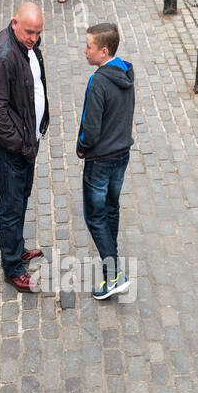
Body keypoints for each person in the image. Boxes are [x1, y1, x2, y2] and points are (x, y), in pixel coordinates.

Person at [0, 2, 49, 293]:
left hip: (25, 142)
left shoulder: (25, 46)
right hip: (10, 147)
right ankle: (12, 266)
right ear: (14, 23)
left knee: (21, 197)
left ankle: (17, 247)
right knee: (11, 206)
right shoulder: (3, 55)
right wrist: (20, 144)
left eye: (38, 32)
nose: (34, 37)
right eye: (29, 32)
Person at [76, 22, 135, 300]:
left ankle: (113, 276)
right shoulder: (126, 71)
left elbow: (92, 126)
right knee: (111, 209)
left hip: (99, 161)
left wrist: (81, 147)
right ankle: (110, 267)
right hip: (121, 155)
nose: (84, 51)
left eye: (89, 46)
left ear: (104, 50)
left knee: (95, 215)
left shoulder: (98, 82)